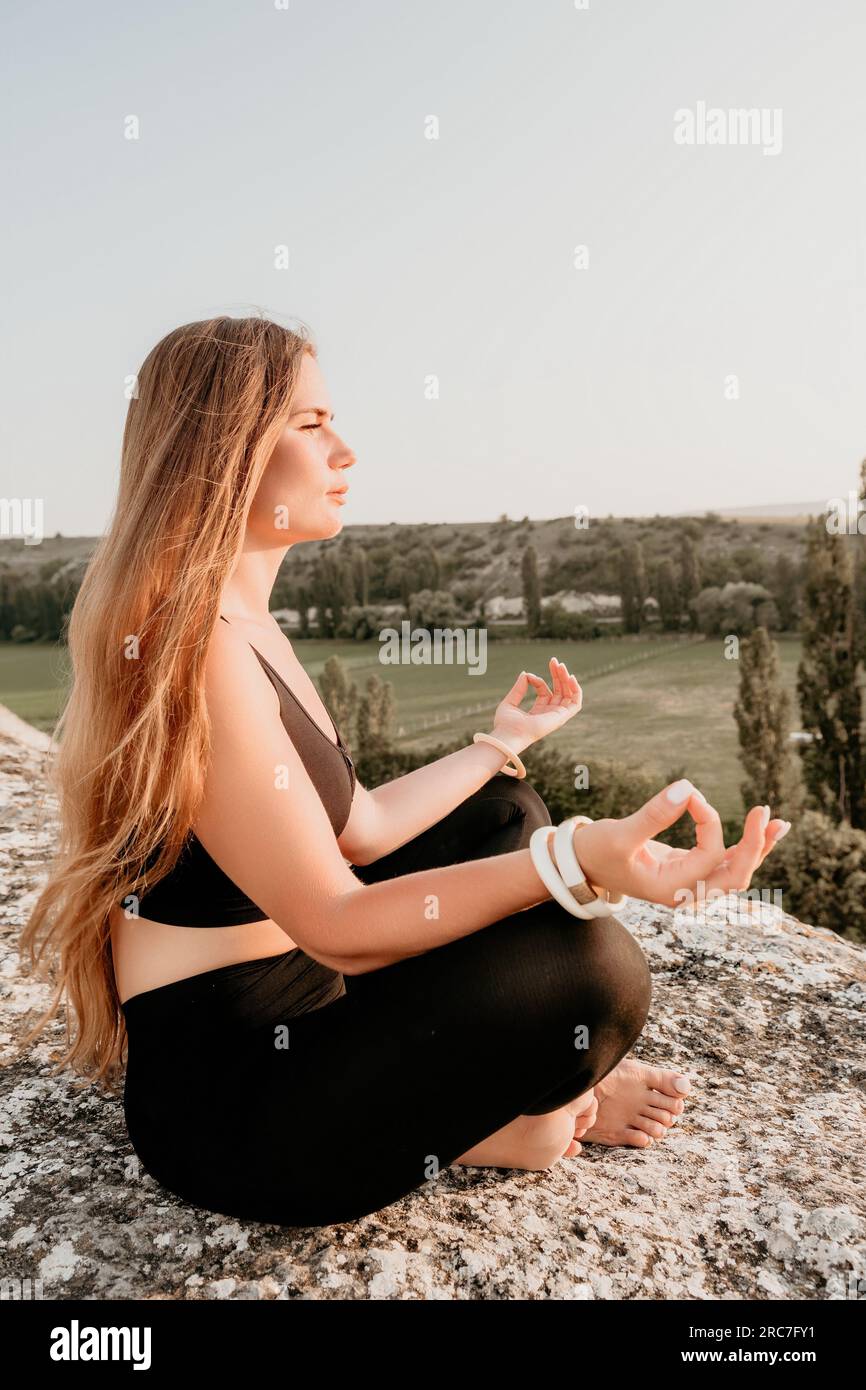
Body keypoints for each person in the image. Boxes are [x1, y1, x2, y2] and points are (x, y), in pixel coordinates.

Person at [19, 315, 791, 1227]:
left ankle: (496, 1102)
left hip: (308, 987)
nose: (344, 450)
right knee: (595, 973)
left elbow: (362, 832)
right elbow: (339, 924)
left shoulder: (246, 622)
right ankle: (510, 1122)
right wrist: (581, 859)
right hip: (233, 1101)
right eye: (309, 425)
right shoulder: (199, 651)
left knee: (503, 809)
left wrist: (496, 745)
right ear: (224, 451)